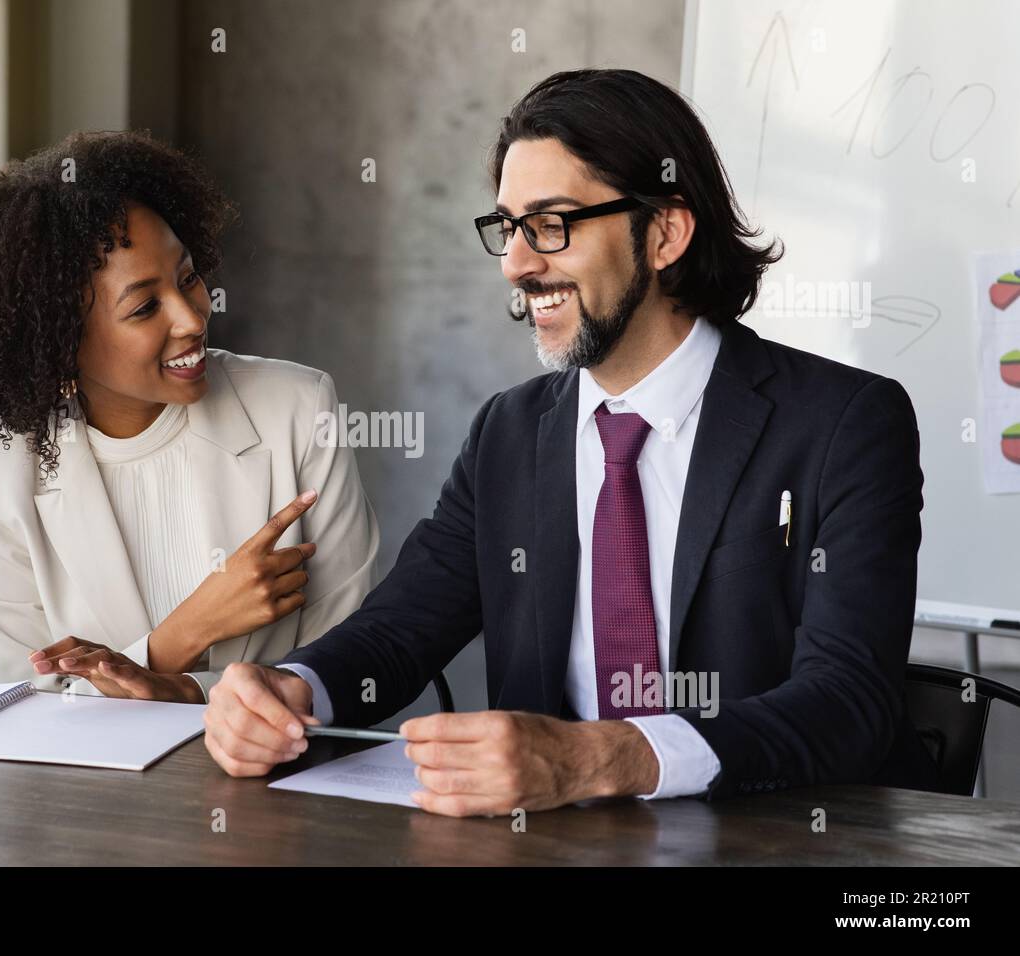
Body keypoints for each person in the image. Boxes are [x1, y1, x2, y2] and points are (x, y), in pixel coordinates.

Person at [192, 68, 941, 812]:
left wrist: (602, 758)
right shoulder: (509, 434)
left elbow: (848, 702)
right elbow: (399, 631)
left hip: (765, 838)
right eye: (509, 228)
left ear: (665, 233)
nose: (519, 263)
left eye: (552, 224)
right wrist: (289, 689)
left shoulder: (845, 423)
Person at [0, 130, 378, 704]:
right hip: (77, 795)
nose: (192, 318)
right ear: (58, 339)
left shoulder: (297, 410)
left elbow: (352, 673)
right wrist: (181, 637)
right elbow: (10, 709)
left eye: (188, 277)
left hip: (272, 784)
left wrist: (173, 691)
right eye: (145, 306)